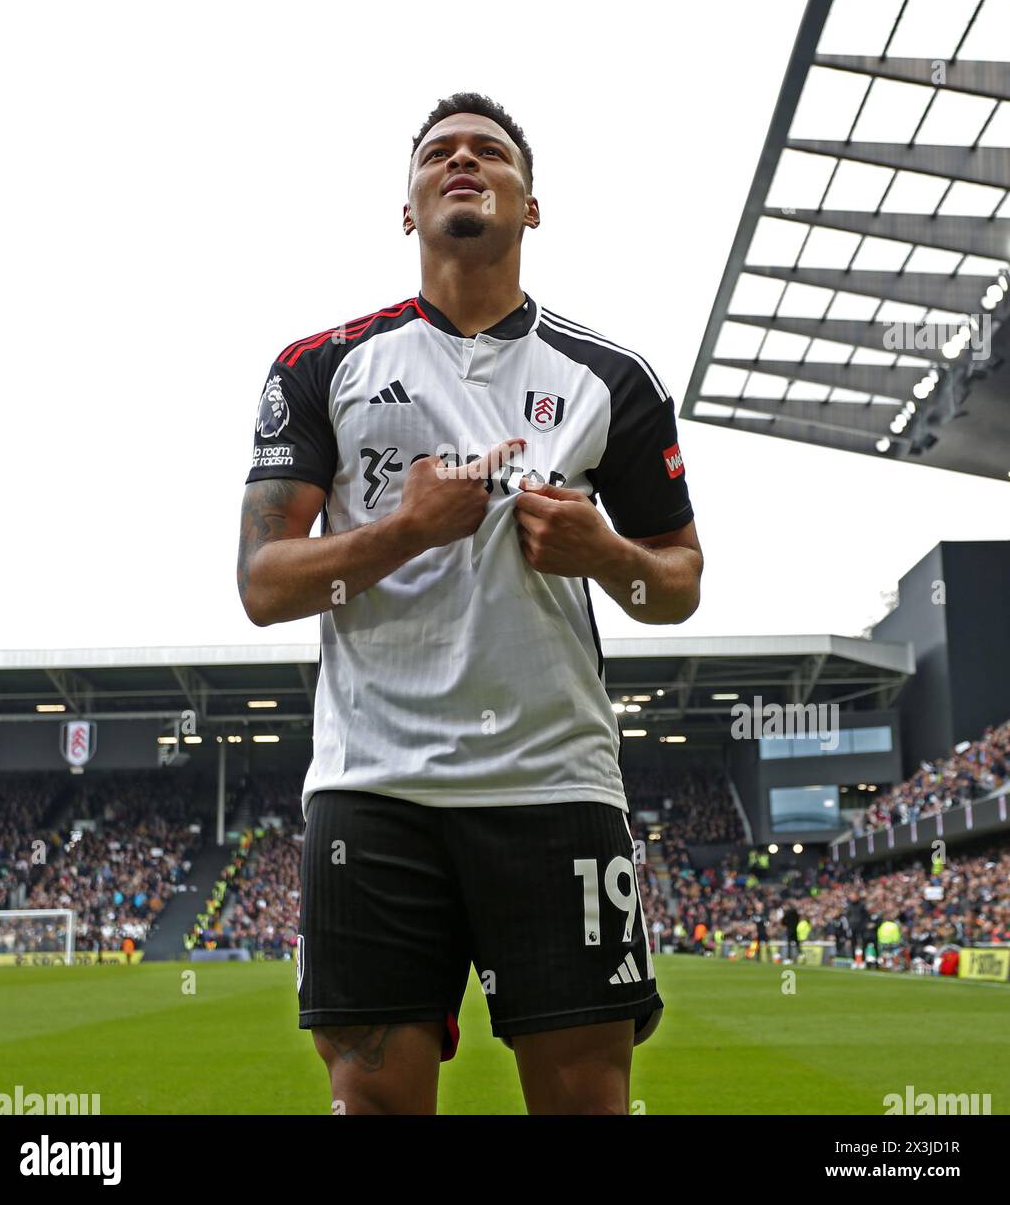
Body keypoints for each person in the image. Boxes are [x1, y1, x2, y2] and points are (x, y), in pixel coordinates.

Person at [237, 93, 704, 1116]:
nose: (463, 162)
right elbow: (262, 586)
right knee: (373, 1102)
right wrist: (402, 529)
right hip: (375, 784)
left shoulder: (610, 379)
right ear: (405, 209)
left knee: (586, 1101)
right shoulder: (319, 366)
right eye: (437, 154)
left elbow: (674, 584)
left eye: (488, 152)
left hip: (554, 782)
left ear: (529, 205)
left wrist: (602, 548)